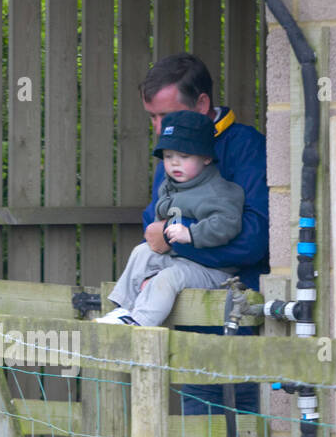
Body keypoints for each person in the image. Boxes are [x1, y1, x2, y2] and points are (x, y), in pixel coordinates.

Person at [139, 54, 269, 437]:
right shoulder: (172, 157)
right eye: (152, 120)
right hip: (194, 328)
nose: (161, 133)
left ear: (203, 105)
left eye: (168, 115)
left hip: (241, 327)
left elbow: (258, 240)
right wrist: (174, 236)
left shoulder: (247, 149)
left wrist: (182, 236)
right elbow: (153, 232)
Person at [96, 111, 244, 327]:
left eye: (184, 157)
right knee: (142, 252)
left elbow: (228, 224)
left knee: (168, 278)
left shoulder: (218, 191)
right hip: (180, 260)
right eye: (168, 156)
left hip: (214, 272)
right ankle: (124, 309)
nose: (175, 163)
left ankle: (139, 324)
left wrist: (191, 233)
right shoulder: (170, 186)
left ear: (206, 157)